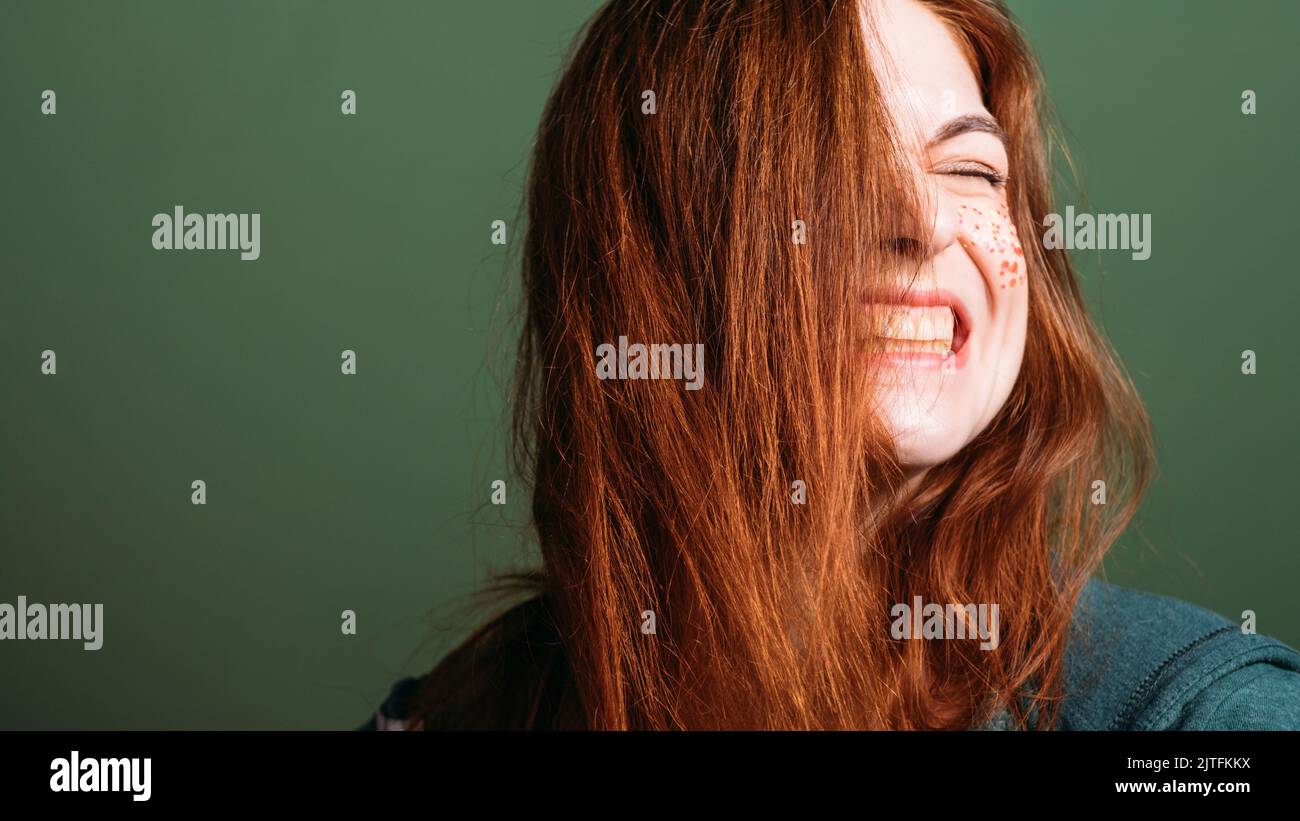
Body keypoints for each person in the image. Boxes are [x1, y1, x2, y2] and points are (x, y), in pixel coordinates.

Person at [363, 0, 1300, 730]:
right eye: (836, 164)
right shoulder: (459, 707)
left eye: (973, 171)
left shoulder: (1204, 723)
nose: (927, 223)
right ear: (648, 250)